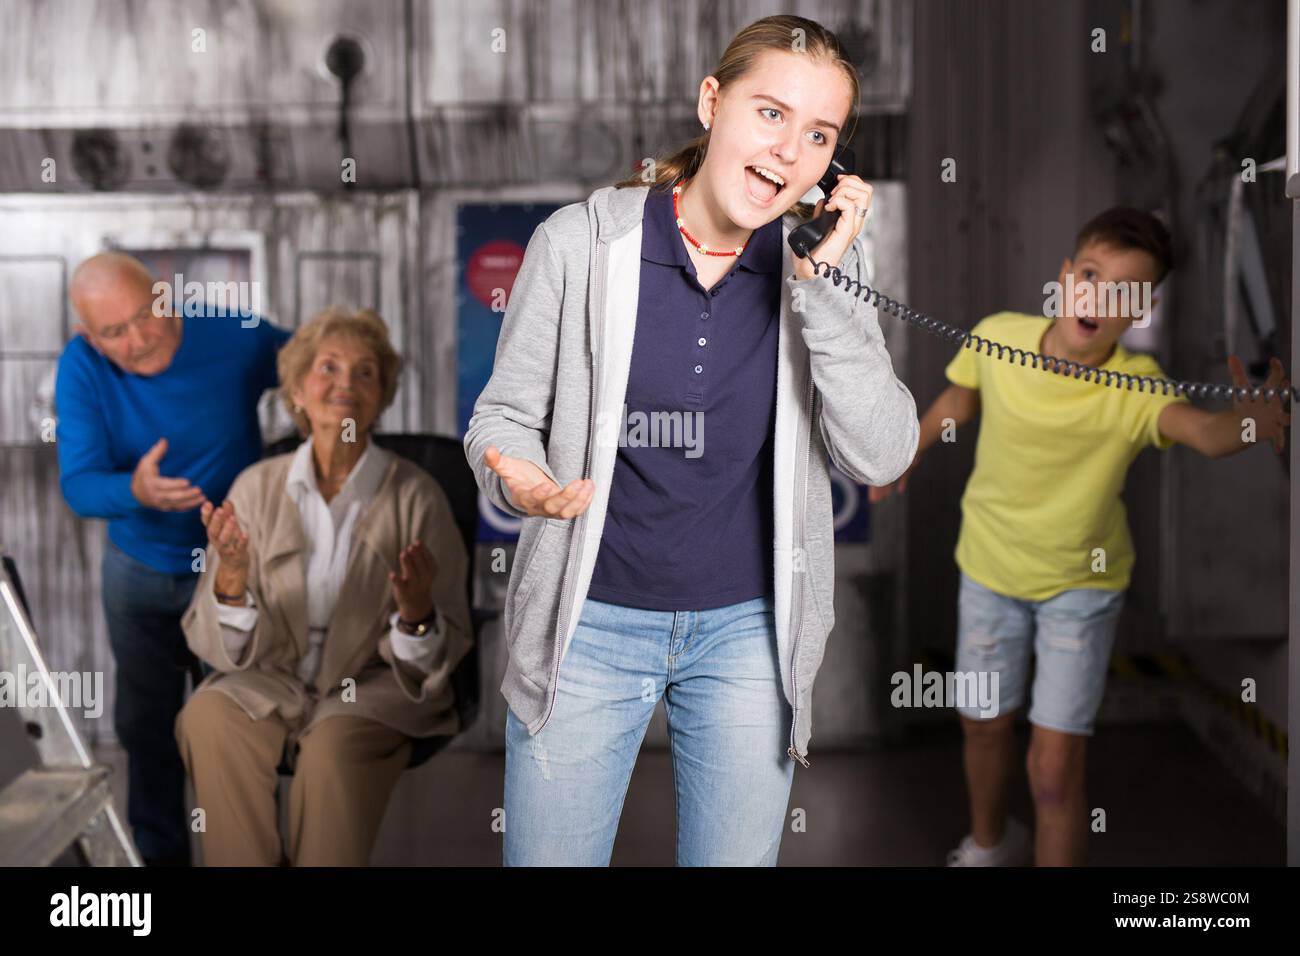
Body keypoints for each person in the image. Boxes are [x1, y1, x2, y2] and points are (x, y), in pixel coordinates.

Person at [464, 14, 919, 866]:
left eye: (818, 134)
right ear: (713, 102)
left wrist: (824, 285)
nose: (788, 152)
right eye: (770, 113)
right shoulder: (578, 245)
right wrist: (516, 478)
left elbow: (883, 451)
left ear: (835, 165)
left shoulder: (818, 267)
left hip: (747, 633)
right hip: (588, 623)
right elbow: (502, 418)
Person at [871, 207, 1290, 866]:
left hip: (1081, 587)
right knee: (982, 725)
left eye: (1124, 290)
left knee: (1054, 765)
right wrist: (907, 452)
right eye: (1091, 275)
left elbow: (1206, 434)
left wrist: (1251, 423)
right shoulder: (997, 338)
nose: (1099, 297)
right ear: (1065, 278)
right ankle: (990, 845)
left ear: (1140, 310)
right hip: (989, 568)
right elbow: (958, 403)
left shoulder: (1136, 387)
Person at [175, 306, 472, 866]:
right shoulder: (255, 485)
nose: (346, 385)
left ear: (382, 396)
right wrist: (232, 585)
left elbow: (435, 652)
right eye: (328, 368)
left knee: (331, 750)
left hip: (371, 685)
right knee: (207, 716)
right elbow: (225, 651)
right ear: (296, 390)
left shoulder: (418, 495)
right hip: (275, 675)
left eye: (365, 372)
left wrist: (415, 614)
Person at [54, 251, 290, 865]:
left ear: (164, 295)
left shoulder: (235, 335)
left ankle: (248, 855)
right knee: (146, 730)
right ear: (89, 337)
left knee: (234, 727)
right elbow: (78, 485)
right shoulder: (81, 367)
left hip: (229, 572)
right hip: (137, 575)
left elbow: (315, 364)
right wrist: (133, 492)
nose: (136, 339)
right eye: (114, 332)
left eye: (145, 316)